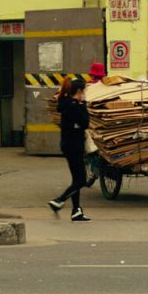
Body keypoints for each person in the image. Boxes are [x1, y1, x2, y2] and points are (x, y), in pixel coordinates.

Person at [48, 77, 91, 222]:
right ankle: (59, 200)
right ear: (78, 91)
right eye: (83, 91)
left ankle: (76, 211)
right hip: (74, 145)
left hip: (68, 144)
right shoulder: (73, 106)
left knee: (76, 178)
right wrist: (83, 103)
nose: (84, 93)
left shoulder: (66, 103)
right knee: (81, 180)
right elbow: (85, 122)